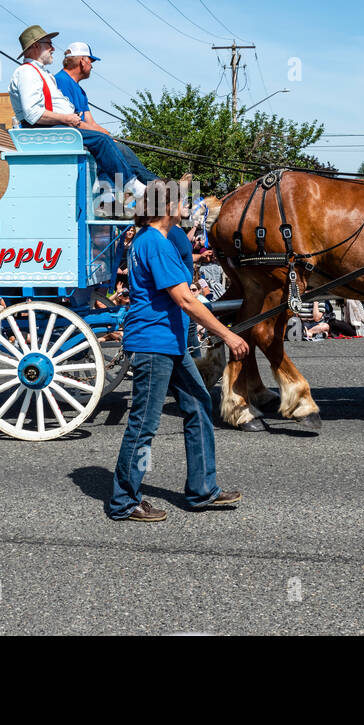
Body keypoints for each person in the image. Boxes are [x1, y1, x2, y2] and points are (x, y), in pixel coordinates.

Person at [108, 180, 248, 523]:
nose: (186, 204)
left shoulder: (156, 240)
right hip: (153, 343)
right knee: (144, 424)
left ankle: (202, 490)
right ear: (165, 207)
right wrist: (228, 335)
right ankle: (124, 501)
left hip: (167, 342)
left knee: (199, 404)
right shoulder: (156, 243)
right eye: (181, 200)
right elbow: (185, 299)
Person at [7, 25, 156, 206]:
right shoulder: (26, 72)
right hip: (41, 130)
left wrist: (68, 116)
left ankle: (110, 198)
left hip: (53, 128)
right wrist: (66, 118)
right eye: (49, 44)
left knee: (103, 142)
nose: (53, 48)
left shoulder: (44, 74)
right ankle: (134, 189)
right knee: (102, 141)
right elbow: (32, 114)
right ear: (36, 46)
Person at [55, 41, 161, 191]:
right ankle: (159, 187)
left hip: (88, 137)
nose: (92, 65)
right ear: (82, 61)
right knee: (118, 149)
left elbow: (91, 122)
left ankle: (147, 188)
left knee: (118, 147)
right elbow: (71, 121)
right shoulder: (61, 81)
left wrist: (108, 135)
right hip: (73, 137)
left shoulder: (80, 90)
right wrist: (105, 137)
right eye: (91, 61)